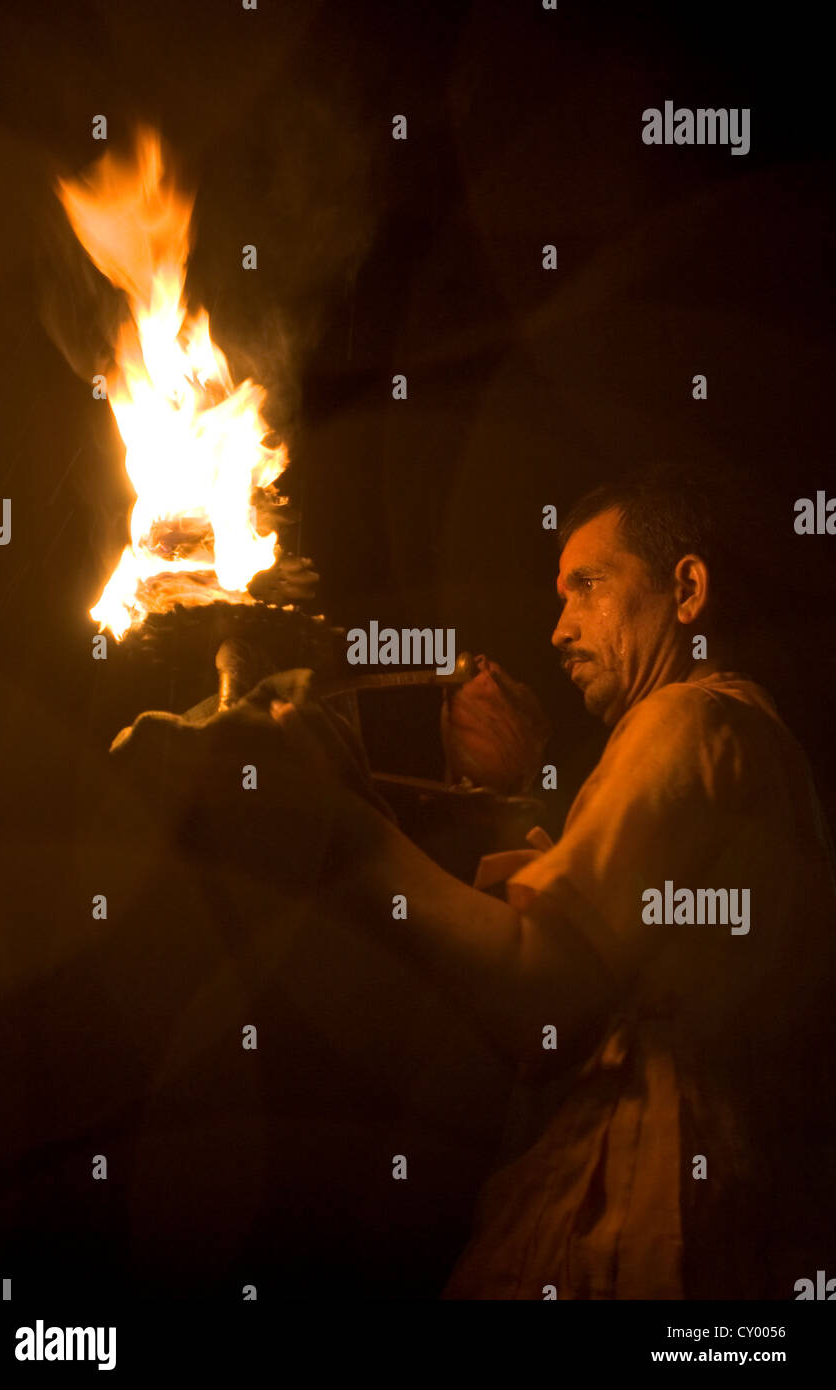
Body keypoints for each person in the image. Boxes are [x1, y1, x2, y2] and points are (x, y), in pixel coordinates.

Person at [113, 463, 836, 1299]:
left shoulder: (689, 717)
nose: (558, 630)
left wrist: (332, 831)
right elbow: (565, 996)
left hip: (649, 1239)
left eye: (586, 588)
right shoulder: (753, 742)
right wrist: (493, 808)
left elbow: (541, 995)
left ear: (686, 589)